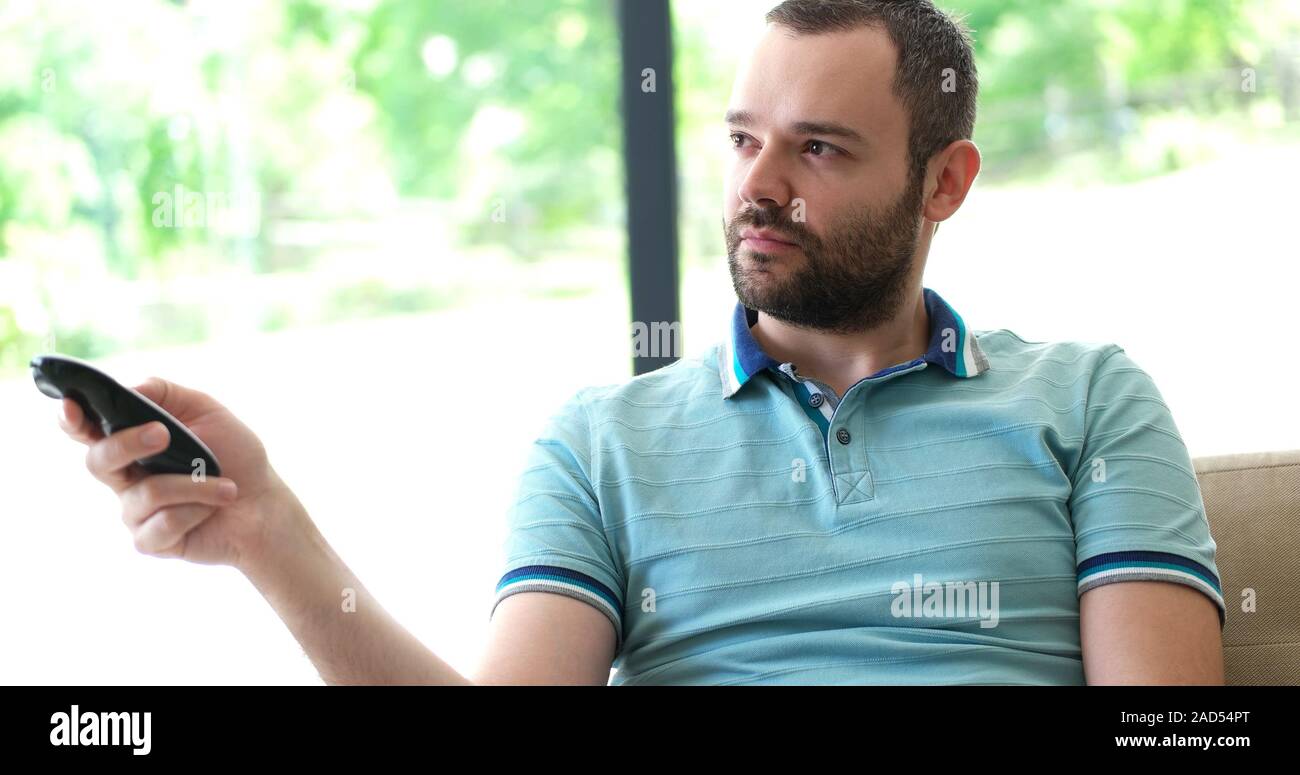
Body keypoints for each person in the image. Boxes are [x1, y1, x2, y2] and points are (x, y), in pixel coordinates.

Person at [57, 0, 1225, 685]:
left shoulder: (1088, 401)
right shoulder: (601, 442)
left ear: (944, 182)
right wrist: (270, 532)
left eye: (817, 149)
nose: (757, 188)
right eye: (740, 141)